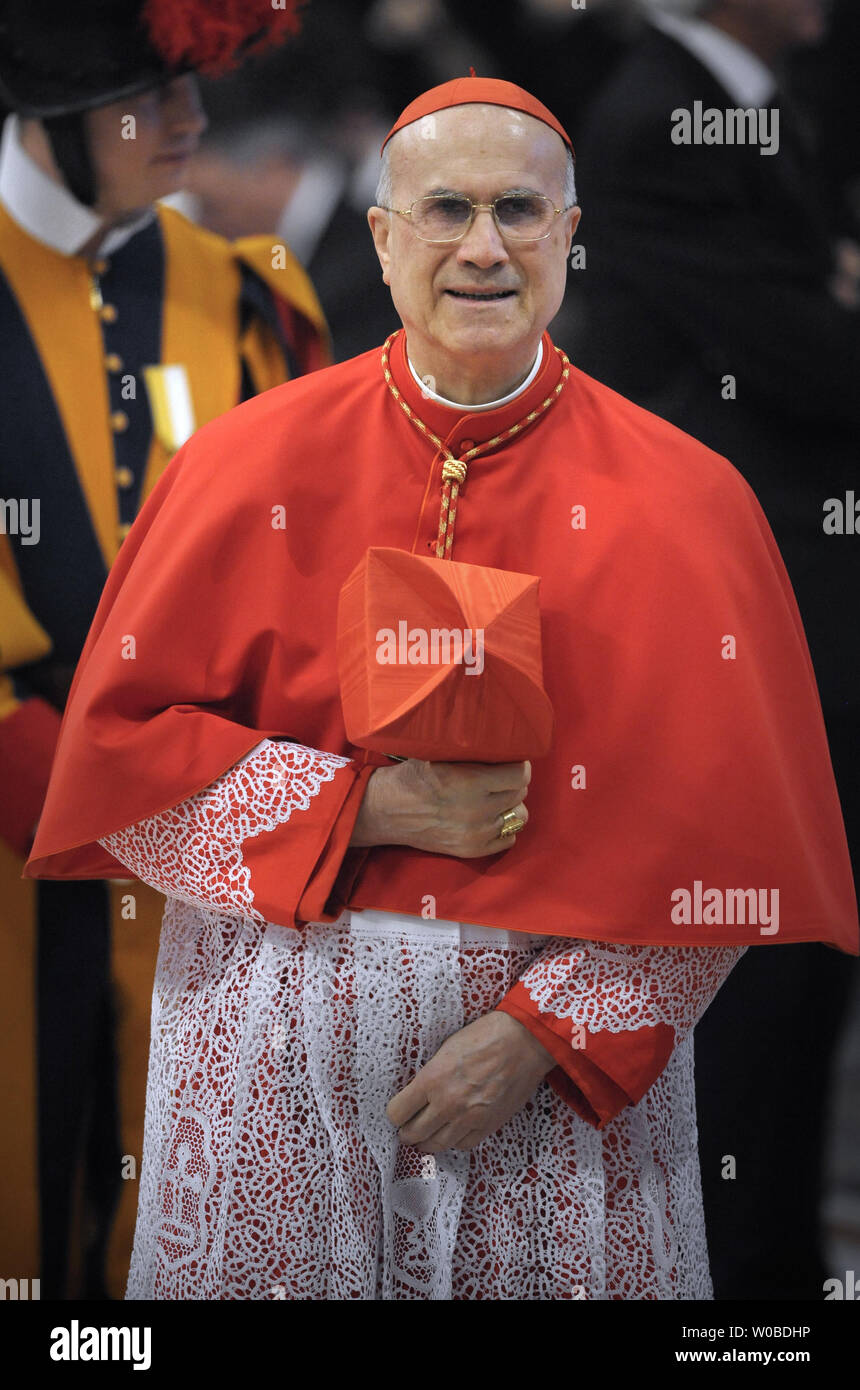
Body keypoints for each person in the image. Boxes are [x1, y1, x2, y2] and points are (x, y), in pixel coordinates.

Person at [25, 74, 858, 1301]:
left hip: (552, 1106)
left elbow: (726, 852)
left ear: (570, 235)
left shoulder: (691, 501)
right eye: (445, 209)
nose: (482, 246)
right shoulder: (239, 463)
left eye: (518, 210)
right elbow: (119, 762)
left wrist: (540, 1037)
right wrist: (359, 807)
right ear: (380, 235)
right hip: (273, 1065)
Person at [0, 0, 324, 1299]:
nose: (189, 122)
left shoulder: (238, 290)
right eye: (150, 95)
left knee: (175, 1176)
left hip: (205, 825)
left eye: (195, 89)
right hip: (12, 818)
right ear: (54, 120)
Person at [573, 0, 860, 1298]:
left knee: (799, 971)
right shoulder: (659, 118)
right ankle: (740, 1281)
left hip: (797, 600)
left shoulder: (751, 101)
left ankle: (769, 1266)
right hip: (753, 613)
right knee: (759, 971)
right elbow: (806, 360)